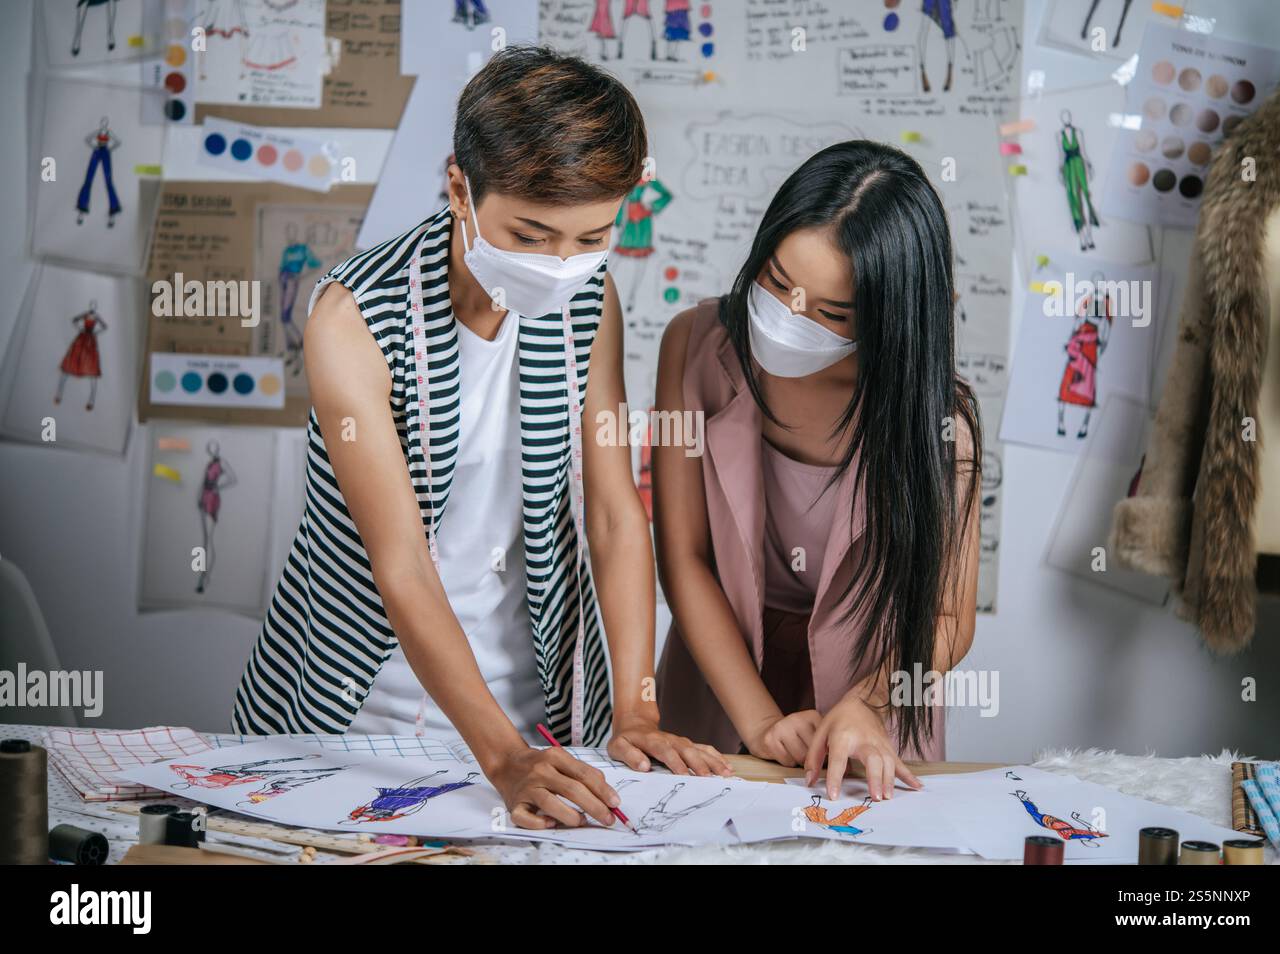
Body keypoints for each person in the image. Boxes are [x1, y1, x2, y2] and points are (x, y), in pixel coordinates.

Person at [232, 46, 727, 830]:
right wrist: (500, 760)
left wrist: (635, 709)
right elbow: (400, 562)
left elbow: (612, 513)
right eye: (531, 235)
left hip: (539, 717)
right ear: (460, 185)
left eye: (591, 237)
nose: (563, 265)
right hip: (360, 713)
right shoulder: (352, 316)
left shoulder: (587, 299)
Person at [654, 140, 982, 802]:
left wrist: (867, 701)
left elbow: (949, 615)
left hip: (871, 699)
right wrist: (760, 719)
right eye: (776, 282)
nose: (786, 320)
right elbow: (683, 556)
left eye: (830, 314)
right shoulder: (692, 346)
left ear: (890, 319)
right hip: (719, 672)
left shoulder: (938, 423)